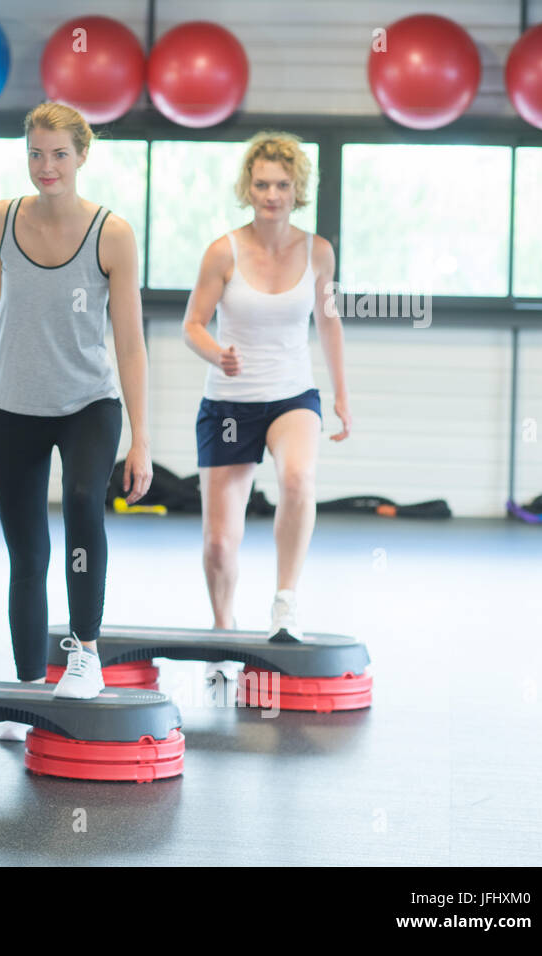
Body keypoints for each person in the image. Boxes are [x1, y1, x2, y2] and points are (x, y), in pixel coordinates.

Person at [0, 102, 151, 730]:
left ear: (82, 155)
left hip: (88, 403)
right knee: (27, 552)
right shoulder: (2, 219)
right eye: (36, 153)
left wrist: (141, 439)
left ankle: (85, 652)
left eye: (59, 153)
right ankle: (28, 686)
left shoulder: (111, 234)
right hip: (12, 406)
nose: (46, 166)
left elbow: (131, 342)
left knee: (87, 499)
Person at [181, 131, 350, 656]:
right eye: (261, 184)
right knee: (217, 543)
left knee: (298, 478)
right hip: (229, 404)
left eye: (281, 184)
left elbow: (328, 325)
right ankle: (222, 630)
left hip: (291, 396)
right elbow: (192, 324)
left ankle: (285, 601)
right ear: (247, 188)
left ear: (297, 188)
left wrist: (341, 396)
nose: (271, 194)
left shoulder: (318, 252)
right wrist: (217, 354)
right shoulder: (222, 251)